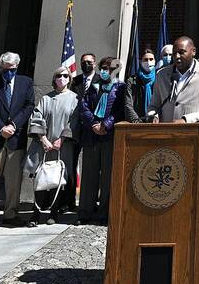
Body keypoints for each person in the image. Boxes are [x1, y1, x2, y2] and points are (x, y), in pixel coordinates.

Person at [0, 52, 37, 230]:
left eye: (11, 70)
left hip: (15, 139)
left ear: (16, 68)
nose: (8, 73)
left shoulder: (25, 83)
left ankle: (11, 213)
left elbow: (29, 106)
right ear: (0, 68)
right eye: (5, 70)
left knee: (13, 180)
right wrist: (1, 128)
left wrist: (14, 125)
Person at [28, 67, 80, 223]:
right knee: (40, 177)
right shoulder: (46, 98)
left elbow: (74, 121)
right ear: (54, 78)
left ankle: (54, 212)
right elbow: (37, 117)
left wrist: (61, 139)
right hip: (43, 144)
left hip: (62, 146)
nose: (62, 78)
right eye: (59, 75)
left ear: (70, 79)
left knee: (58, 179)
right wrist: (43, 139)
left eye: (65, 75)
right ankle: (36, 212)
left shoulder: (75, 98)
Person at [77, 56, 125, 224]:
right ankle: (85, 211)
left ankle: (104, 212)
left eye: (109, 68)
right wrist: (94, 124)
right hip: (92, 136)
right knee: (89, 175)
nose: (106, 71)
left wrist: (106, 124)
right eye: (104, 68)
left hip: (109, 136)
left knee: (107, 177)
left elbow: (120, 111)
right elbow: (84, 107)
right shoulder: (93, 87)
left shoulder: (120, 87)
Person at [148, 36, 199, 123]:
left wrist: (186, 120)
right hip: (165, 133)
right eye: (174, 53)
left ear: (193, 51)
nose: (177, 56)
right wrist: (153, 116)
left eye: (181, 52)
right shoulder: (161, 74)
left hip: (193, 134)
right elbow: (153, 106)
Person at [119, 48, 157, 123]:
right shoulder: (132, 81)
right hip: (137, 123)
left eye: (151, 59)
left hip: (156, 122)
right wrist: (137, 122)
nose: (148, 62)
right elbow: (128, 104)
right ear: (140, 61)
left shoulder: (160, 78)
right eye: (145, 60)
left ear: (155, 61)